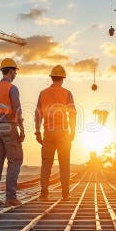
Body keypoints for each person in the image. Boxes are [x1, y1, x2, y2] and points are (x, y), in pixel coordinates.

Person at [35, 65, 76, 201]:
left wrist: (37, 132)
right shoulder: (67, 93)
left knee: (46, 164)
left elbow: (38, 114)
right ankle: (65, 194)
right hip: (63, 133)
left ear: (52, 78)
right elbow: (72, 114)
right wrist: (73, 131)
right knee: (64, 164)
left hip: (48, 132)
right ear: (62, 79)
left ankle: (44, 193)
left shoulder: (43, 93)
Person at [0, 58, 24, 207]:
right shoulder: (12, 88)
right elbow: (17, 110)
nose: (15, 74)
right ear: (11, 71)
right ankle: (11, 197)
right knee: (15, 160)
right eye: (15, 71)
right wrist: (21, 129)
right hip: (9, 126)